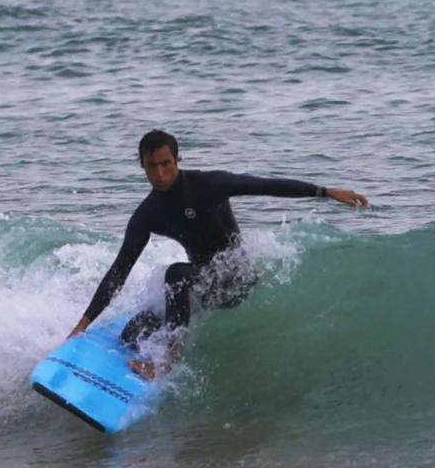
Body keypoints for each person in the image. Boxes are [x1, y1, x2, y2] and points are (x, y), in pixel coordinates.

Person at [66, 130, 369, 380]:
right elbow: (120, 270)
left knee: (176, 274)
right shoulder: (147, 215)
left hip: (236, 278)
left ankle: (166, 362)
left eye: (166, 163)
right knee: (133, 333)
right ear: (141, 165)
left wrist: (325, 191)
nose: (160, 173)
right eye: (152, 165)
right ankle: (142, 362)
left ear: (177, 160)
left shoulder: (208, 185)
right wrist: (83, 325)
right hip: (201, 285)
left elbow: (265, 185)